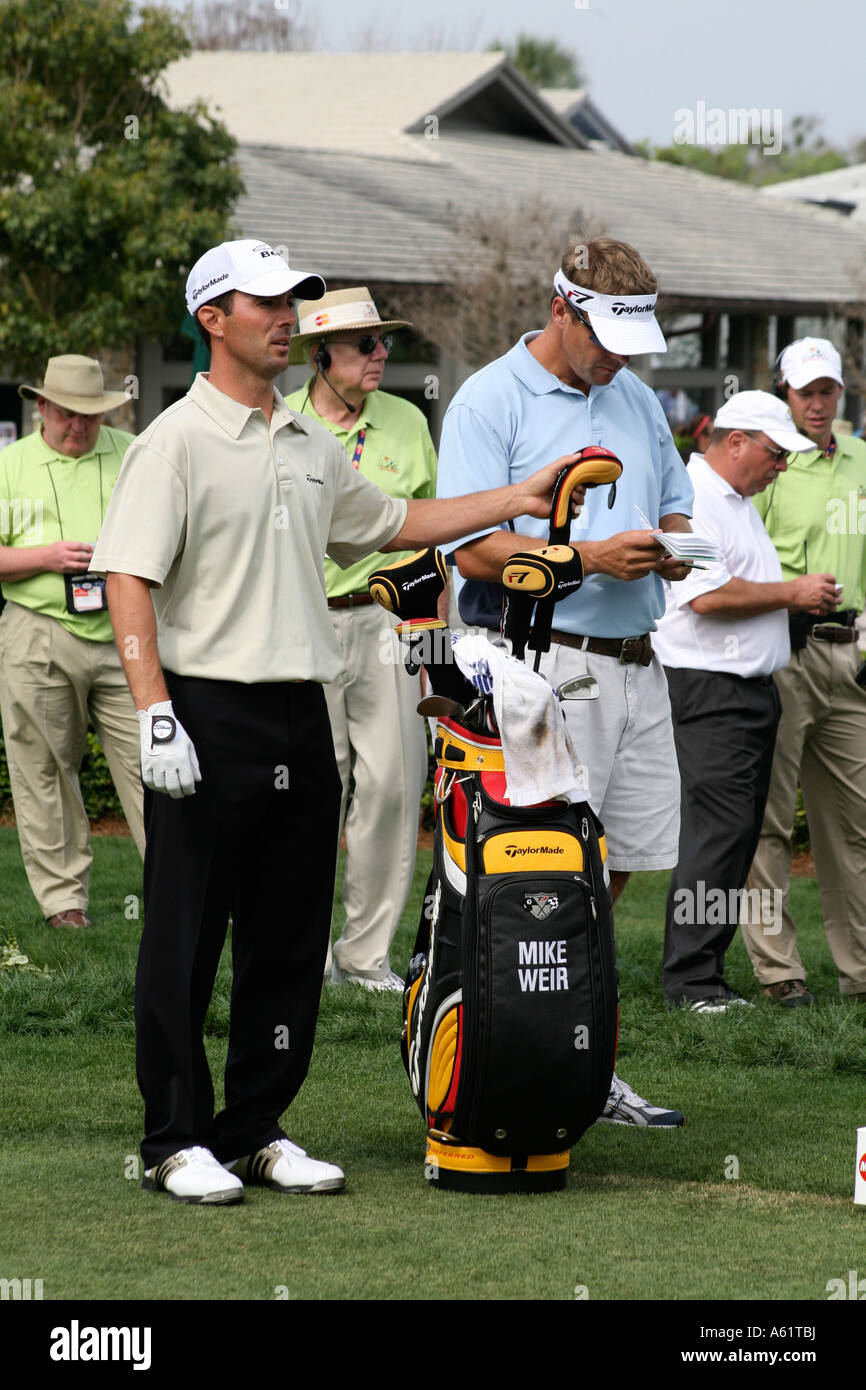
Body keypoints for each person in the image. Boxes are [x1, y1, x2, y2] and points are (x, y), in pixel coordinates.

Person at [91, 238, 586, 1205]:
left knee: (285, 939)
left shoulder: (308, 439)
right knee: (185, 937)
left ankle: (254, 1128)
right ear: (211, 319)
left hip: (298, 713)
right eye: (266, 303)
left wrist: (516, 499)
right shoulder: (173, 441)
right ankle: (173, 1139)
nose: (287, 318)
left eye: (293, 302)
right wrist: (155, 713)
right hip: (204, 709)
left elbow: (397, 521)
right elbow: (127, 578)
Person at [437, 235, 695, 1127]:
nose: (621, 358)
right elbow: (474, 550)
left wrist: (676, 547)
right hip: (544, 665)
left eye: (633, 342)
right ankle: (520, 1055)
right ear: (561, 309)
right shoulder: (488, 399)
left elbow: (674, 505)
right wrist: (590, 559)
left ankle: (579, 1055)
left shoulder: (636, 396)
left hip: (638, 662)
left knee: (612, 870)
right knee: (544, 870)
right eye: (607, 339)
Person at [653, 392, 839, 1011]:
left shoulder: (732, 499)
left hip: (744, 690)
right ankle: (691, 981)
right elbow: (706, 597)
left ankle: (702, 973)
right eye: (776, 453)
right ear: (736, 442)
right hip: (711, 690)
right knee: (718, 833)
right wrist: (793, 593)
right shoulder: (693, 497)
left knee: (733, 835)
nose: (782, 466)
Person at [286, 288, 436, 992]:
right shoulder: (280, 422)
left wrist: (434, 641)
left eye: (385, 343)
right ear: (321, 356)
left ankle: (365, 958)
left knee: (394, 787)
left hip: (390, 623)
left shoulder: (408, 421)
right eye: (366, 344)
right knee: (313, 791)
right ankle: (307, 956)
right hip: (302, 620)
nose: (381, 355)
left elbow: (431, 535)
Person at [0, 355, 145, 928]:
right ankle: (64, 902)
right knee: (43, 768)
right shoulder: (10, 463)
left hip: (126, 631)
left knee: (156, 763)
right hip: (38, 630)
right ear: (41, 406)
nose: (79, 426)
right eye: (66, 414)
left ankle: (185, 888)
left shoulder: (134, 452)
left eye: (90, 415)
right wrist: (46, 557)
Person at [742, 338, 866, 1005]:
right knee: (767, 819)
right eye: (804, 392)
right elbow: (738, 561)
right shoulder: (771, 466)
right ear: (784, 395)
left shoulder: (863, 461)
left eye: (827, 391)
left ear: (841, 392)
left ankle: (860, 973)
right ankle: (778, 971)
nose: (816, 404)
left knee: (854, 824)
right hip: (783, 651)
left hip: (853, 657)